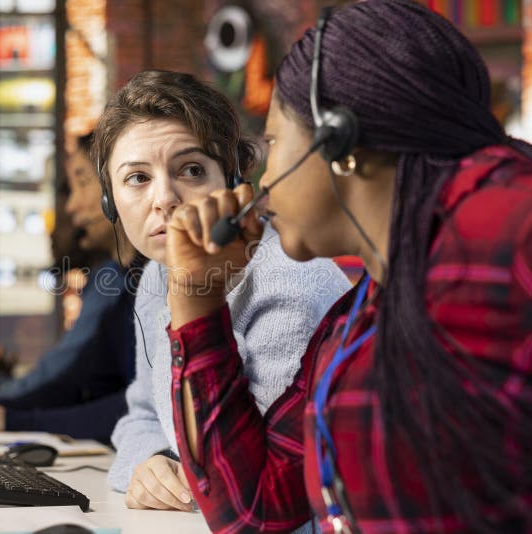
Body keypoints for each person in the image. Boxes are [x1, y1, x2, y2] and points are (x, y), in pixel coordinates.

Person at [164, 1, 532, 532]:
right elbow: (252, 511)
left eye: (273, 142)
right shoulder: (361, 317)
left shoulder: (521, 230)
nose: (261, 179)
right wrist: (196, 301)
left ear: (337, 137)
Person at [92, 70, 350, 515]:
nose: (165, 198)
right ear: (110, 201)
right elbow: (141, 416)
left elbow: (268, 489)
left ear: (232, 181)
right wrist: (147, 461)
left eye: (191, 170)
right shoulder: (158, 274)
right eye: (137, 178)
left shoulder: (289, 282)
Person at [0, 134, 141, 443]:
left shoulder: (133, 283)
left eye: (82, 183)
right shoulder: (128, 281)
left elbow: (135, 410)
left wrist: (7, 414)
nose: (70, 207)